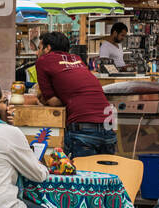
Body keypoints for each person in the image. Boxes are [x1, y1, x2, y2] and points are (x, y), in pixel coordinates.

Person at [35, 31, 117, 159]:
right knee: (104, 177)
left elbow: (53, 102)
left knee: (81, 177)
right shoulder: (77, 59)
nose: (37, 53)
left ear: (48, 48)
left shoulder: (43, 61)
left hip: (83, 129)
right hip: (109, 126)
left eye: (39, 48)